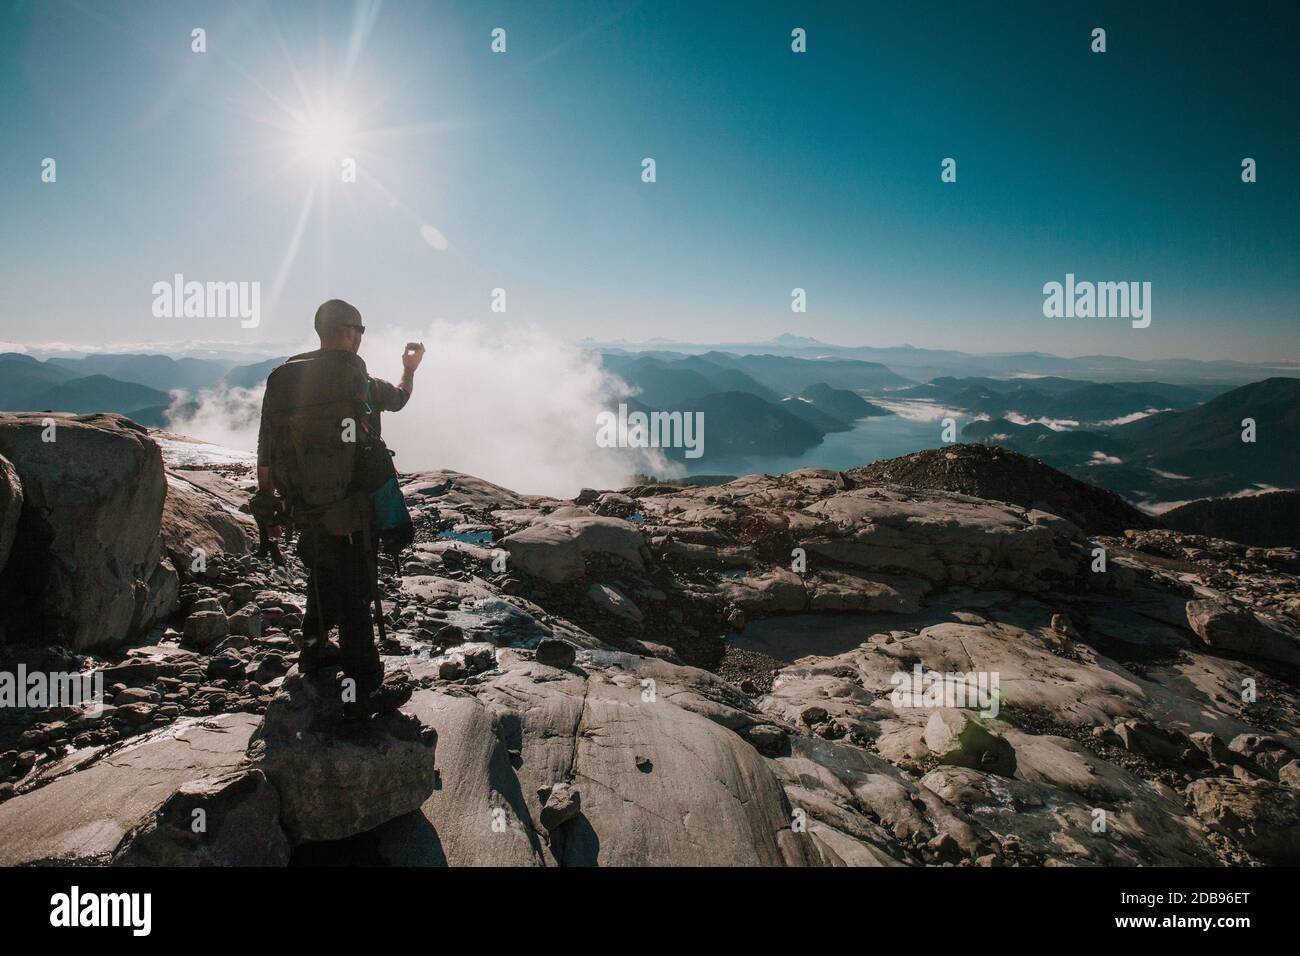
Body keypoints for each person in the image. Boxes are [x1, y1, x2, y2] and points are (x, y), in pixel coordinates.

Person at [251, 299, 425, 718]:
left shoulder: (284, 378)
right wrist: (410, 368)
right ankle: (361, 692)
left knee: (320, 577)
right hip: (350, 513)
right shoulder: (356, 377)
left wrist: (269, 503)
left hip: (304, 510)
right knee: (355, 595)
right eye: (359, 329)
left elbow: (266, 447)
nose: (360, 337)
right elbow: (400, 398)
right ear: (348, 331)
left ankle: (314, 657)